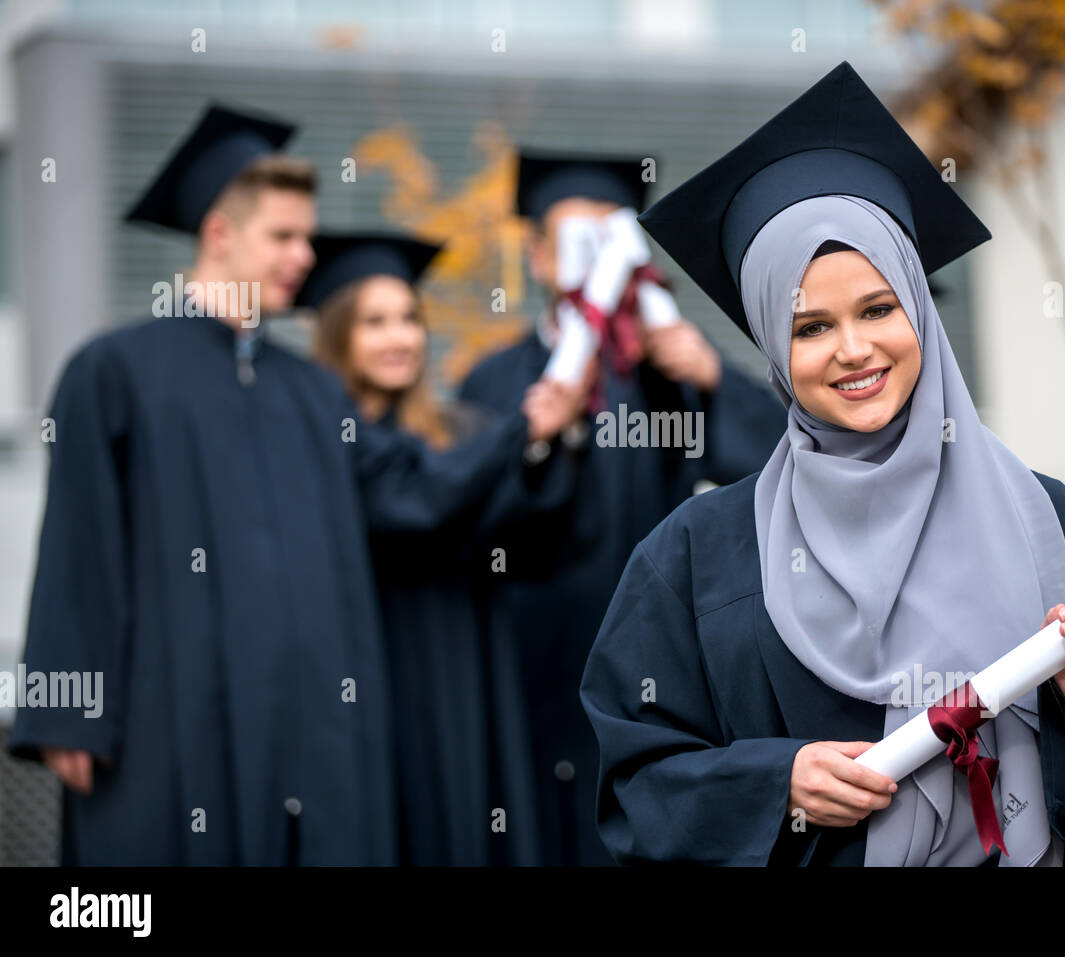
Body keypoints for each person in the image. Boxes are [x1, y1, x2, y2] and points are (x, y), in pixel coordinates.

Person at [579, 62, 1065, 866]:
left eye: (879, 308)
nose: (854, 348)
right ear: (771, 346)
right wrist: (777, 784)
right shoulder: (694, 559)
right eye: (811, 328)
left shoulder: (1057, 526)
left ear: (921, 313)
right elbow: (634, 790)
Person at [7, 105, 577, 865]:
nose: (303, 256)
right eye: (283, 236)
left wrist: (524, 431)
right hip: (168, 716)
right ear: (219, 235)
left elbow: (409, 491)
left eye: (304, 237)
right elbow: (78, 546)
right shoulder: (115, 372)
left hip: (310, 727)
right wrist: (68, 710)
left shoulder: (312, 392)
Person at [457, 149, 788, 864]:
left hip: (655, 643)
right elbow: (479, 513)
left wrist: (713, 379)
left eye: (611, 240)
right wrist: (542, 431)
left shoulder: (667, 373)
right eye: (577, 243)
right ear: (539, 256)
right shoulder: (493, 382)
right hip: (535, 647)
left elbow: (768, 471)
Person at [301, 232, 585, 865]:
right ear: (338, 333)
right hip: (371, 665)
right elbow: (412, 503)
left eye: (409, 319)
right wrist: (521, 430)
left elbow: (528, 534)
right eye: (375, 322)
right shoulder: (321, 440)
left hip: (464, 658)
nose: (400, 337)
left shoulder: (460, 431)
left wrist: (542, 451)